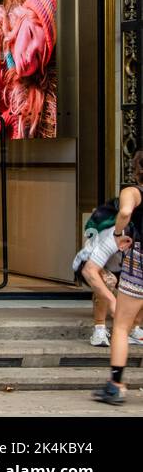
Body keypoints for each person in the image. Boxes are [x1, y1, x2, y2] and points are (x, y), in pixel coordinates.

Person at [92, 152, 143, 405]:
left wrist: (118, 233)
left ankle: (116, 385)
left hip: (140, 263)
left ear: (136, 169)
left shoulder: (133, 191)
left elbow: (124, 212)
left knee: (122, 325)